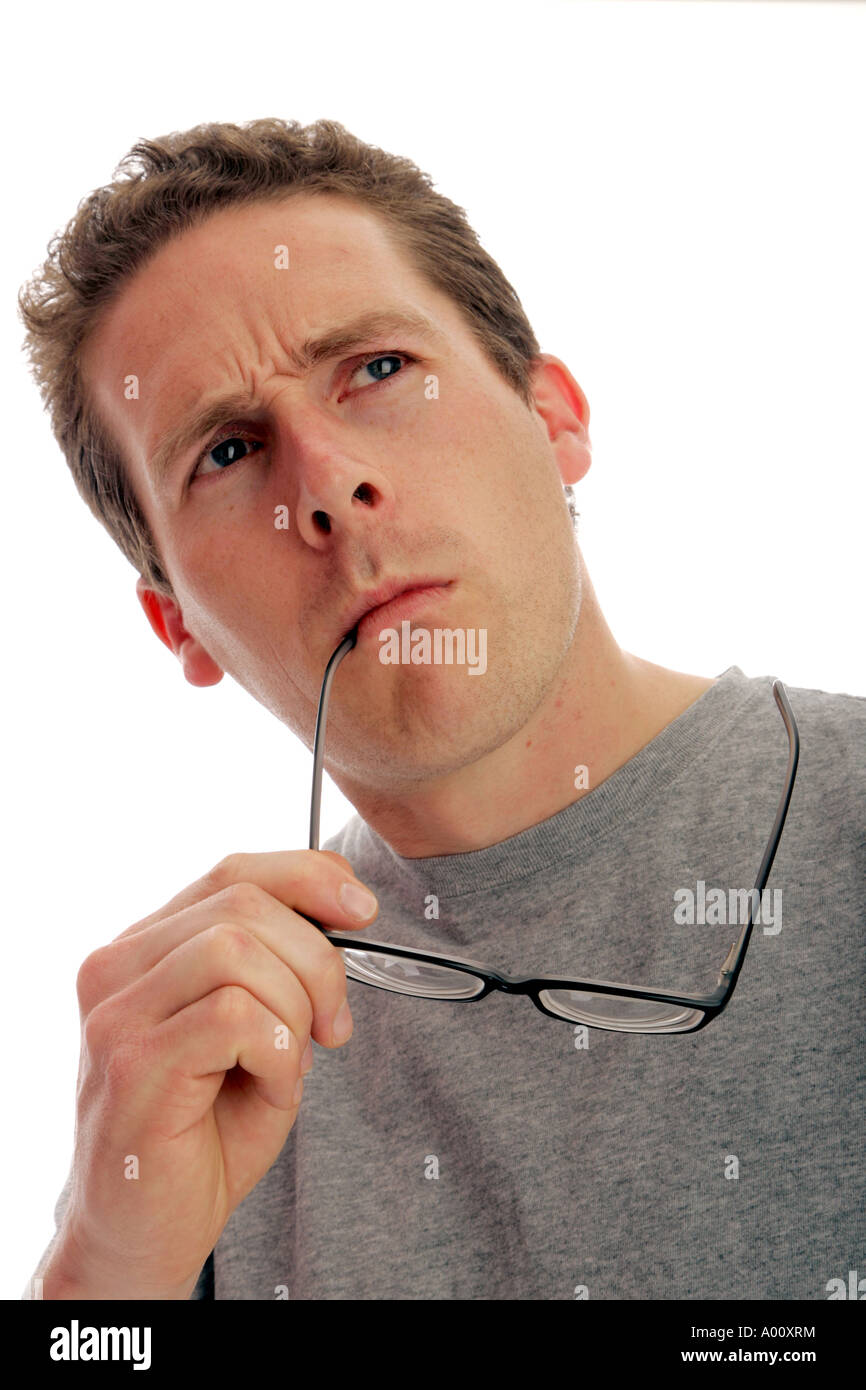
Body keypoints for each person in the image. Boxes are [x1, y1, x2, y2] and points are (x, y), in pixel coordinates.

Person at [18, 118, 864, 1301]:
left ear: (554, 418)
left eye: (373, 370)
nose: (325, 486)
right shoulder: (202, 1080)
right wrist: (105, 1273)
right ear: (177, 628)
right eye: (225, 450)